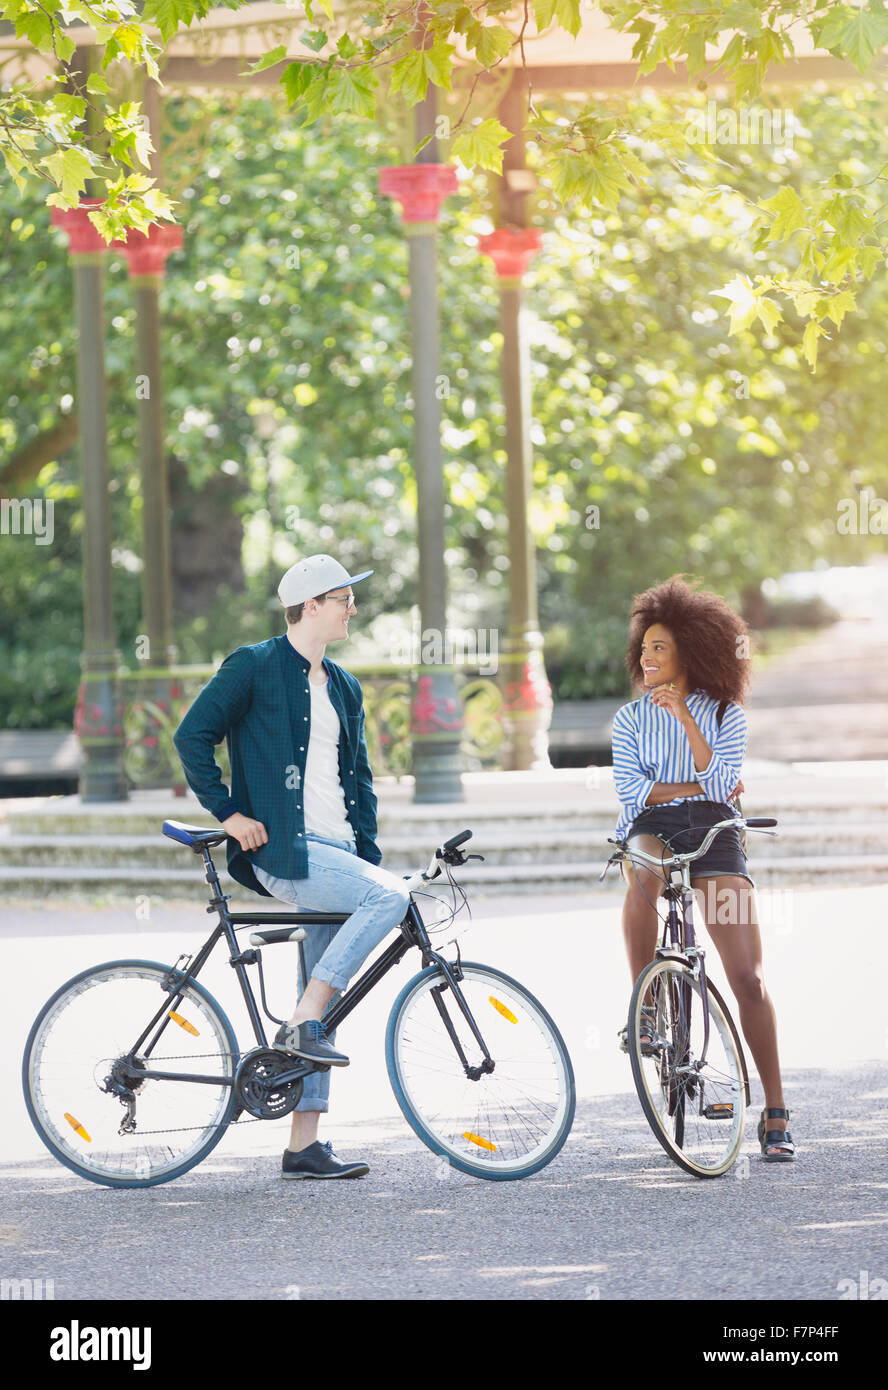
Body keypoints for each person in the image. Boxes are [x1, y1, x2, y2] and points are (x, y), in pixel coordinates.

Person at [173, 553, 411, 1180]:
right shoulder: (253, 666)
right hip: (285, 851)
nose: (353, 608)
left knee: (326, 993)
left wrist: (366, 856)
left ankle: (303, 1146)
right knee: (389, 902)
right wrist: (230, 814)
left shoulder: (344, 686)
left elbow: (359, 779)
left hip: (337, 854)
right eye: (343, 599)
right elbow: (192, 736)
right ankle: (302, 1020)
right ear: (310, 606)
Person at [610, 574, 794, 1162]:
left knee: (749, 980)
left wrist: (688, 722)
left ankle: (775, 1109)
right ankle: (645, 1006)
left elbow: (719, 791)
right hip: (654, 830)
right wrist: (700, 785)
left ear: (689, 653)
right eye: (645, 647)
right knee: (643, 868)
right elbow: (633, 794)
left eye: (660, 648)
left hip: (716, 833)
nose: (647, 657)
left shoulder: (725, 714)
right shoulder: (629, 720)